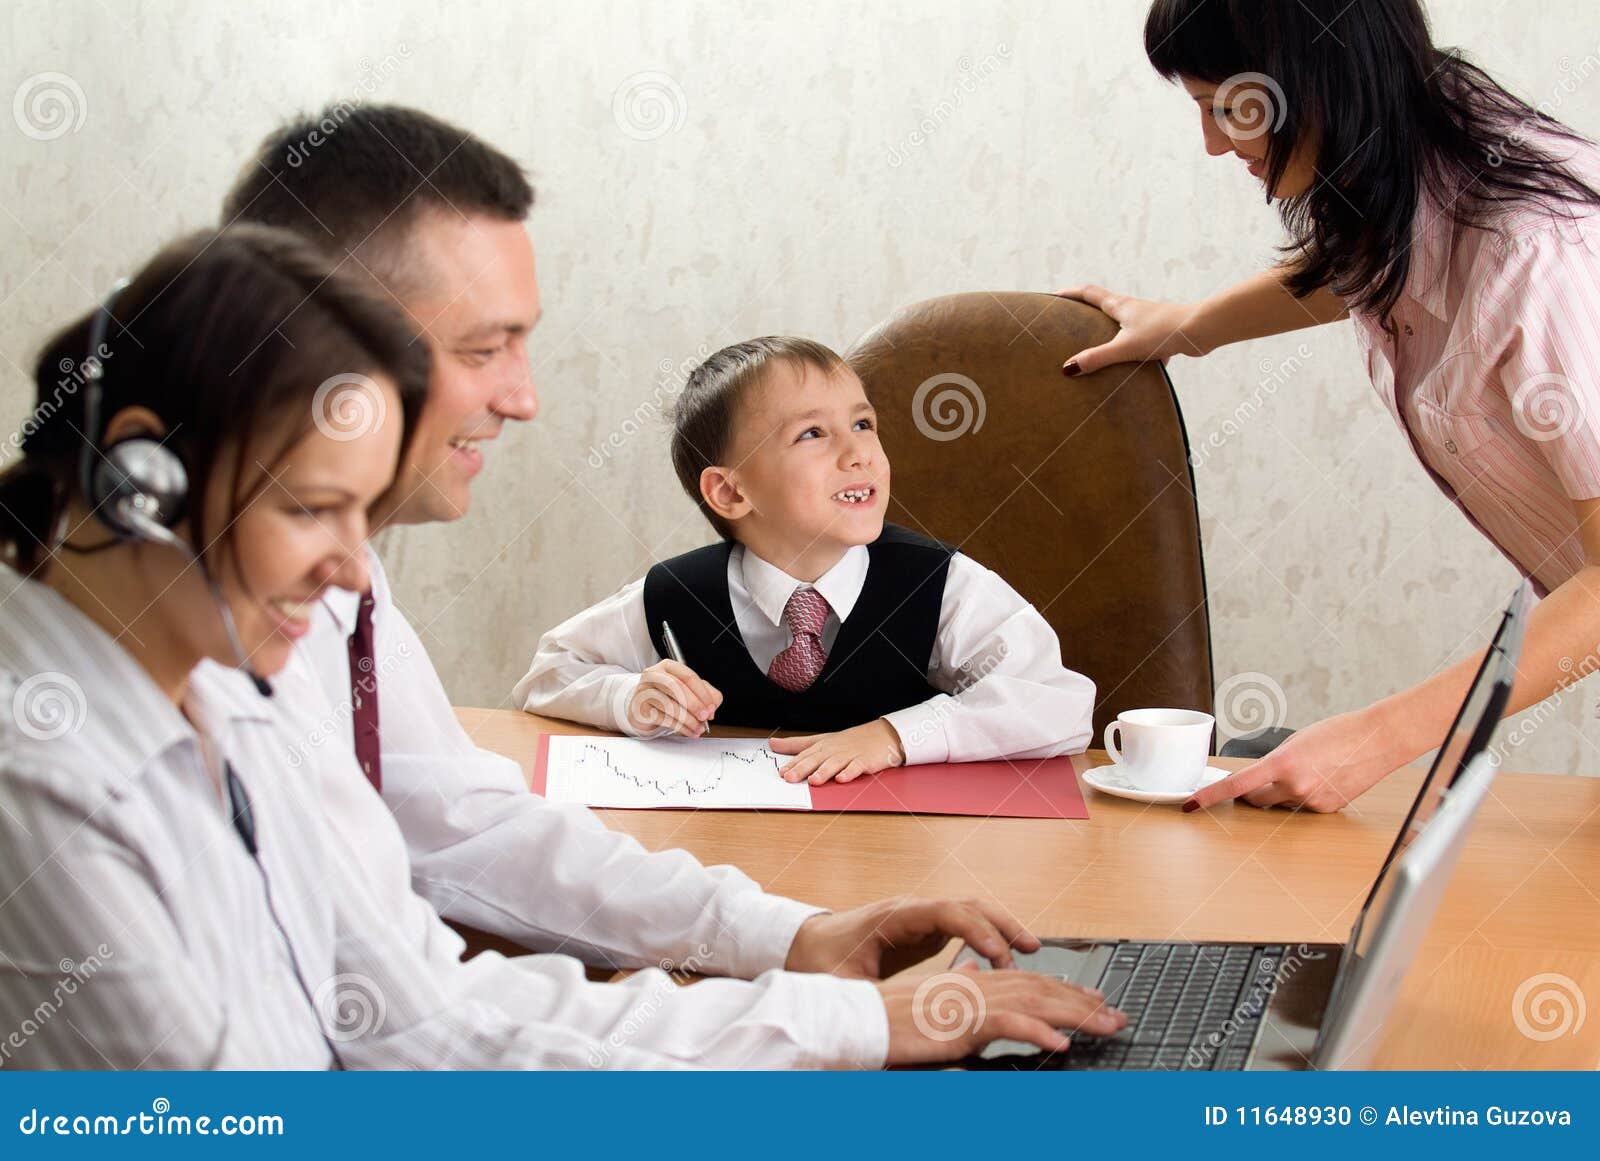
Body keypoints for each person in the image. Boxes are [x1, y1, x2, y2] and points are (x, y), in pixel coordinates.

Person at [0, 225, 1127, 1069]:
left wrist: (800, 952)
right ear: (139, 477)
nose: (354, 575)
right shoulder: (44, 776)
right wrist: (840, 1025)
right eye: (311, 511)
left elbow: (424, 1003)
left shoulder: (227, 684)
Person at [222, 108, 1092, 994]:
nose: (525, 399)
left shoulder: (341, 594)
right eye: (485, 348)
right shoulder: (179, 668)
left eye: (862, 424)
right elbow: (420, 1021)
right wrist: (846, 1017)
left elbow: (465, 828)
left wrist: (799, 940)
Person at [1059, 0, 1600, 812]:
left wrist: (1377, 740)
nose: (1212, 142)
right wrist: (1190, 328)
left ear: (1316, 79)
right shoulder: (1423, 145)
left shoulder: (1536, 261)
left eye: (1224, 107)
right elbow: (1376, 261)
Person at [516, 336, 1097, 786]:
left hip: (898, 864)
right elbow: (548, 673)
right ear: (730, 492)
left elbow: (1058, 704)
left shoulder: (939, 584)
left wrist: (895, 737)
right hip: (737, 861)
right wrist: (628, 697)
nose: (859, 453)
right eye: (813, 433)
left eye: (863, 424)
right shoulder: (675, 593)